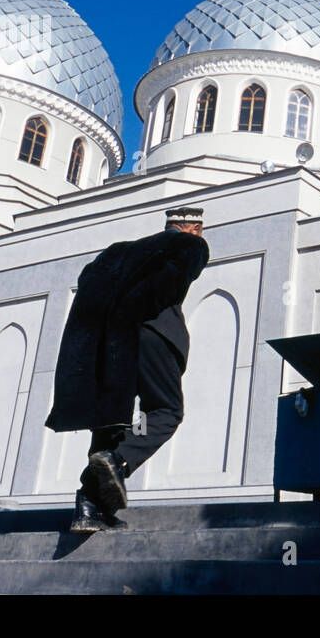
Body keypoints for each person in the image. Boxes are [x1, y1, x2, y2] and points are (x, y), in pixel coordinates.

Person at [46, 207, 210, 533]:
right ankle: (118, 460)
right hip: (150, 334)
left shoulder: (118, 253)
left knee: (111, 420)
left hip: (106, 341)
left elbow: (87, 282)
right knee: (165, 410)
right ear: (193, 228)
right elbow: (173, 281)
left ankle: (89, 510)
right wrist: (137, 312)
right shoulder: (190, 245)